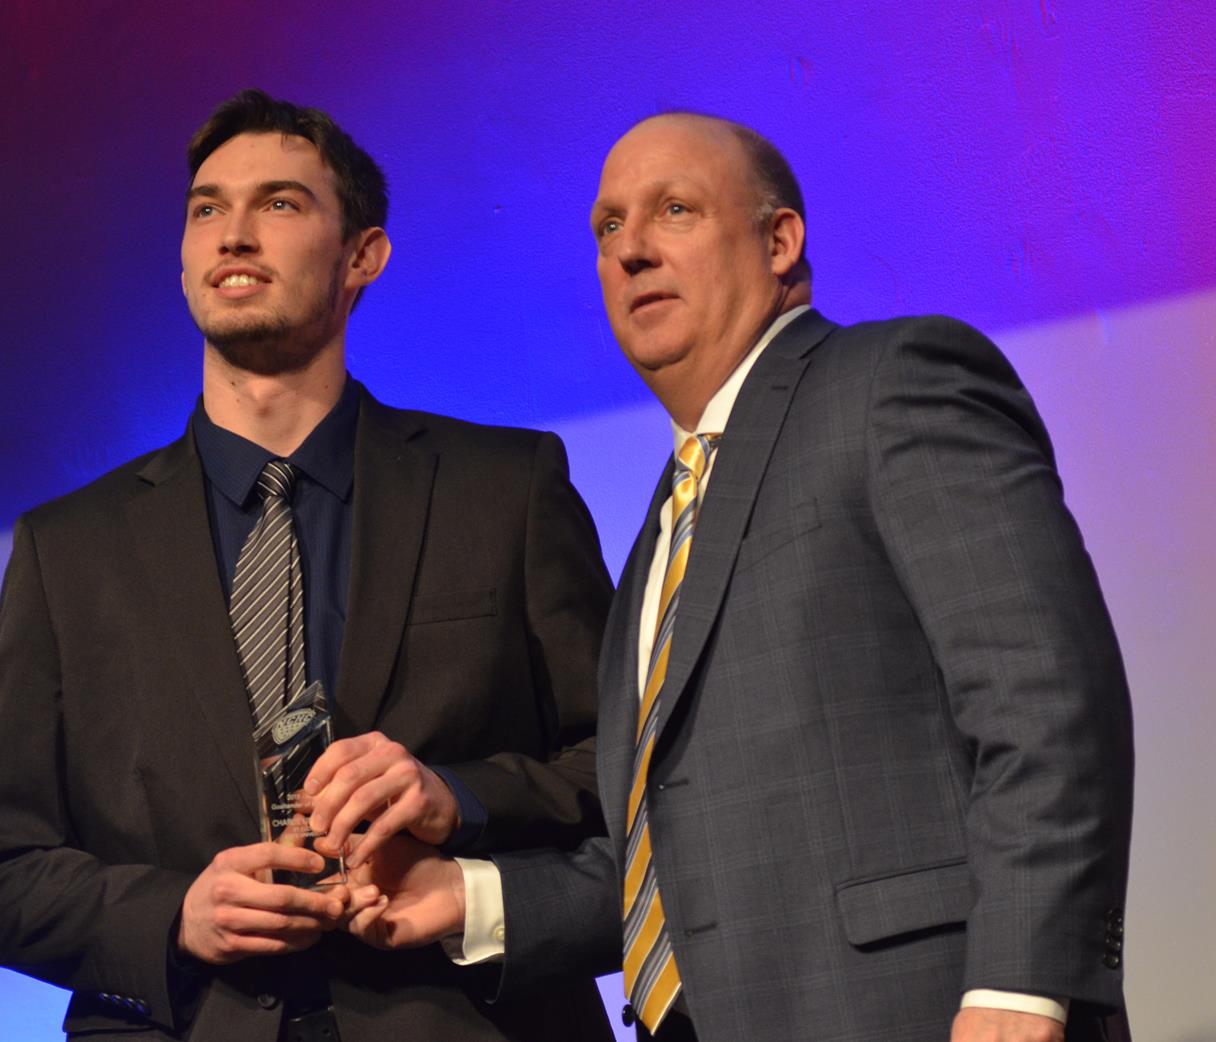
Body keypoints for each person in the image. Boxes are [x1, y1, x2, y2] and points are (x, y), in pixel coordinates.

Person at [346, 113, 1134, 1042]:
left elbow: (1045, 703)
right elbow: (678, 862)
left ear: (779, 240)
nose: (631, 249)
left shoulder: (891, 382)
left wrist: (1018, 985)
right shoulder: (661, 532)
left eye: (672, 210)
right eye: (607, 228)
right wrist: (468, 898)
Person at [0, 89, 616, 1041]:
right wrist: (175, 916)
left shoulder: (504, 488)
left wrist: (454, 796)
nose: (234, 234)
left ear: (363, 258)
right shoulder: (69, 549)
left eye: (280, 204)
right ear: (182, 260)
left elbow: (628, 774)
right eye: (207, 209)